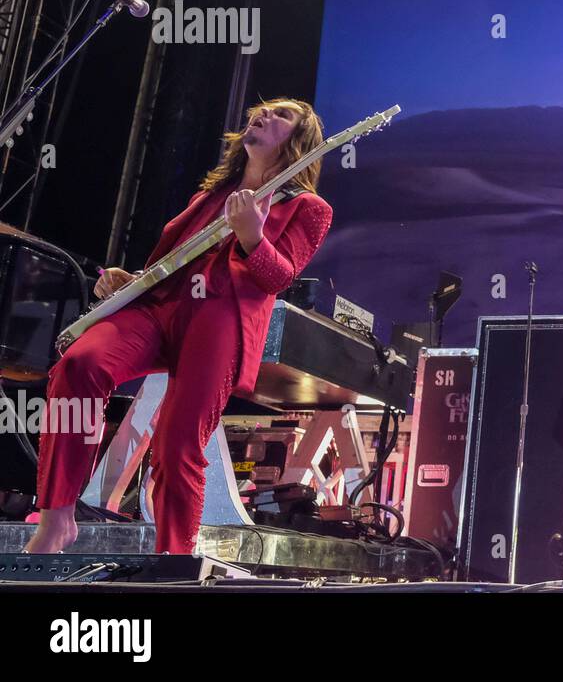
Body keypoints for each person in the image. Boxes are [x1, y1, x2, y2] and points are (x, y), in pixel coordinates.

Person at [25, 98, 333, 555]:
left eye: (283, 114)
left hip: (219, 319)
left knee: (177, 444)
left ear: (301, 140)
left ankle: (174, 560)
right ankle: (57, 518)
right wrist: (130, 283)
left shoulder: (309, 208)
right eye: (261, 110)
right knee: (78, 365)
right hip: (159, 307)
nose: (264, 114)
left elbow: (278, 278)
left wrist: (252, 235)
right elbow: (171, 264)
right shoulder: (210, 196)